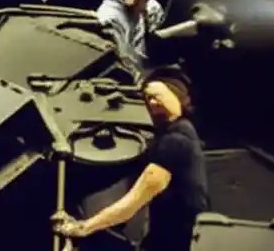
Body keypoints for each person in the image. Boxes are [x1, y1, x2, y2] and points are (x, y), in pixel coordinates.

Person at [54, 69, 208, 251]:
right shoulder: (174, 136)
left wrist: (85, 227)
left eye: (157, 96)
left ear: (178, 96)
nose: (151, 102)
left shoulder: (175, 141)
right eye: (148, 98)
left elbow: (136, 199)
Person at [96, 0, 167, 80]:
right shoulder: (110, 16)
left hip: (145, 72)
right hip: (125, 77)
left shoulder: (145, 11)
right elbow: (123, 58)